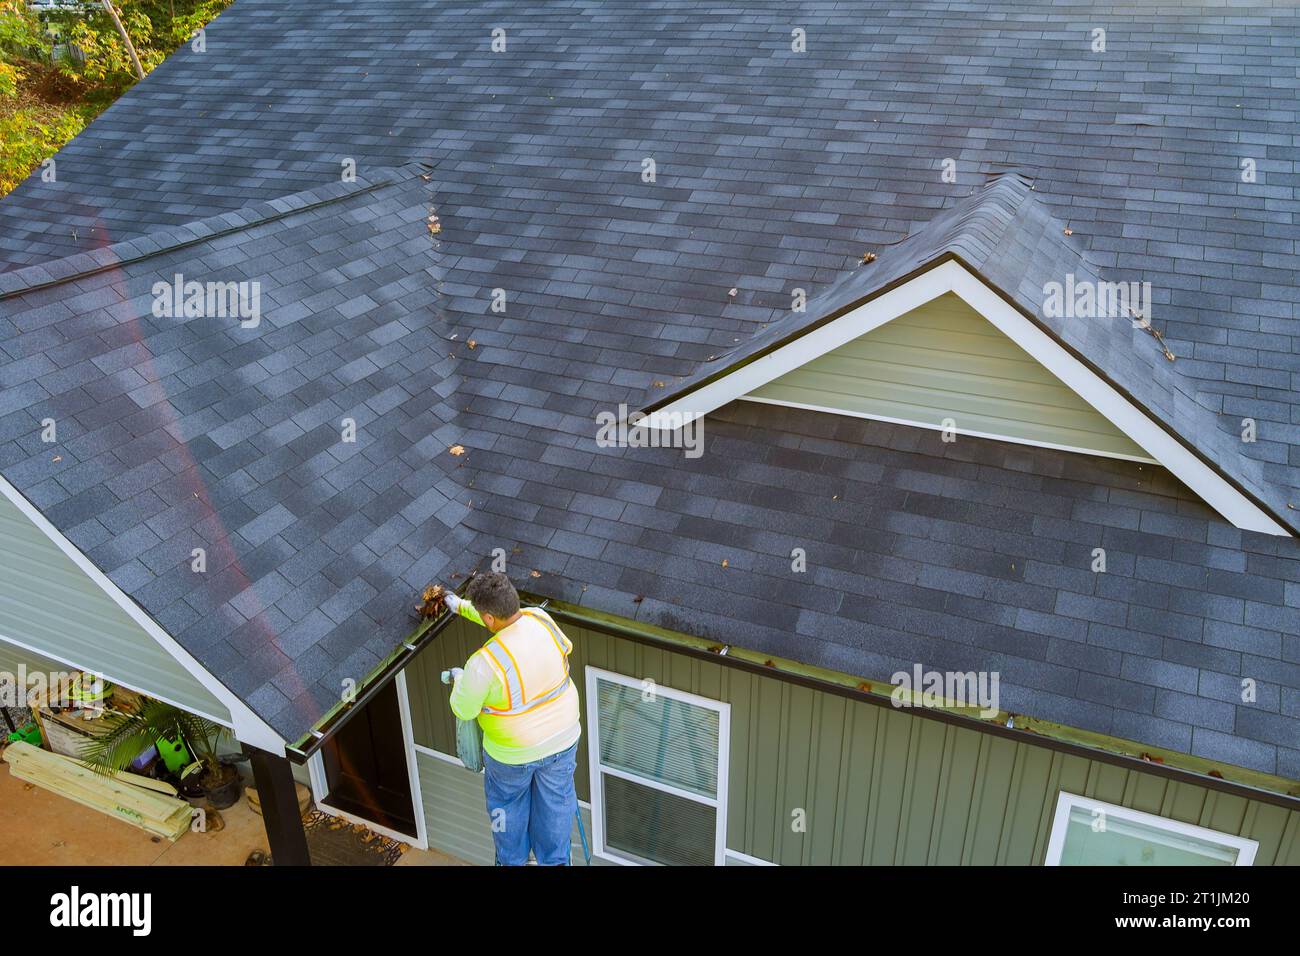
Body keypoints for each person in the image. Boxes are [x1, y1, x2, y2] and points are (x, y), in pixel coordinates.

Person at [441, 572, 580, 865]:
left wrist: (459, 679)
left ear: (489, 618)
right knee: (555, 806)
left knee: (508, 810)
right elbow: (507, 624)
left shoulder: (483, 664)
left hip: (512, 756)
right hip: (562, 740)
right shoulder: (539, 619)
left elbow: (464, 710)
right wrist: (459, 606)